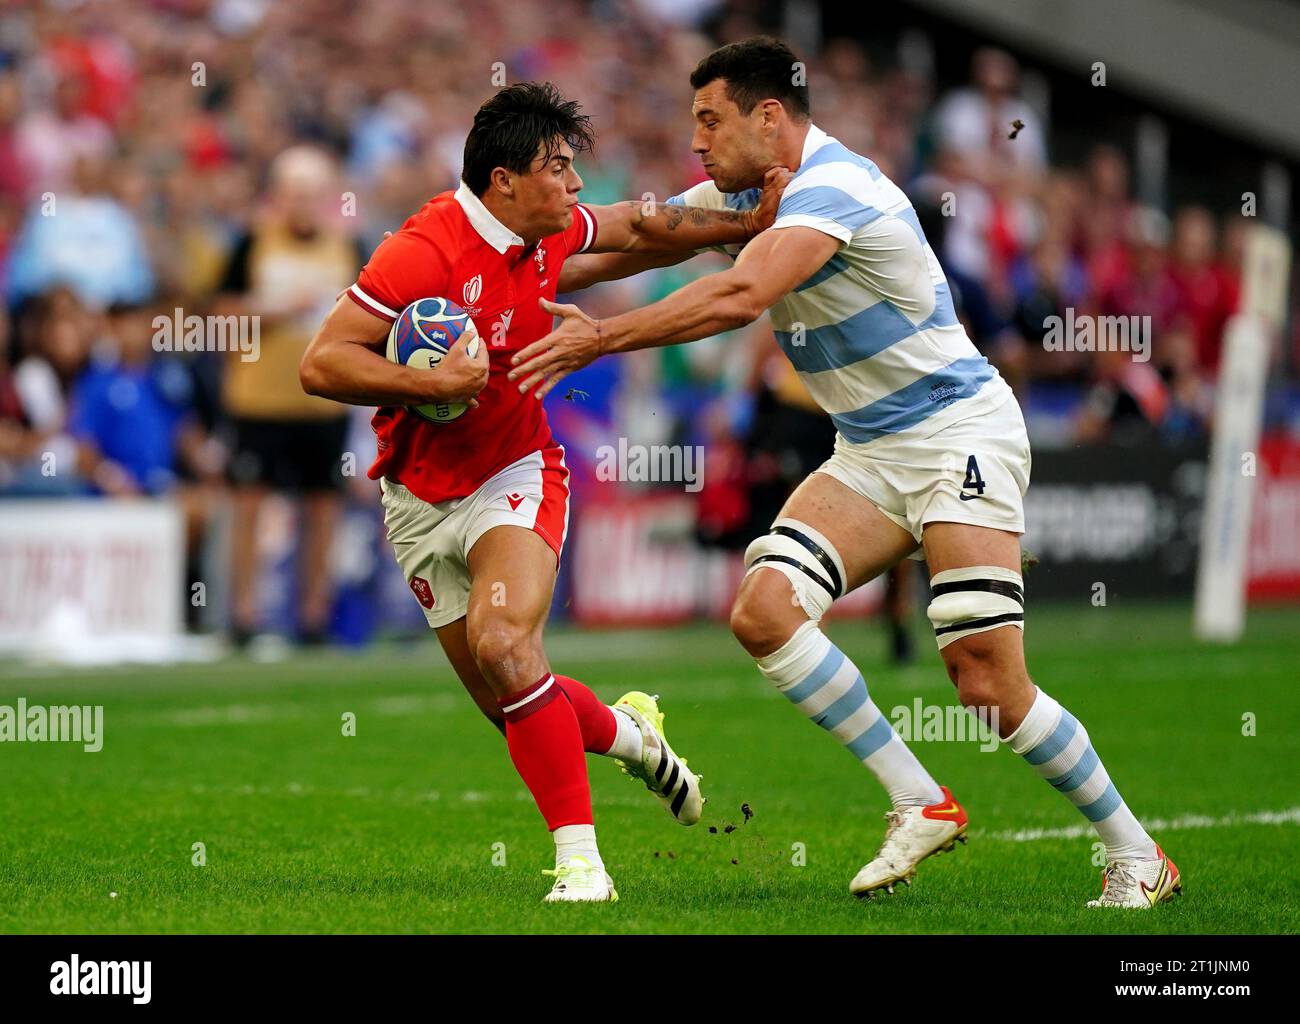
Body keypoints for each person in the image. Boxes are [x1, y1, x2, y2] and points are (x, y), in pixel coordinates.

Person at [512, 37, 1179, 909]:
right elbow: (644, 237)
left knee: (982, 675)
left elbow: (741, 296)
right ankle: (919, 798)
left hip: (956, 432)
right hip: (870, 448)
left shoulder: (838, 189)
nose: (698, 143)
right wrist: (502, 264)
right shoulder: (748, 194)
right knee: (764, 611)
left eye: (711, 121)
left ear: (770, 117)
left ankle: (1135, 853)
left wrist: (598, 335)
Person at [300, 82, 789, 903]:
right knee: (511, 701)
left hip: (516, 471)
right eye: (558, 168)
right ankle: (632, 736)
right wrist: (423, 384)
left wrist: (747, 227)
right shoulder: (423, 253)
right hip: (418, 497)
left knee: (505, 647)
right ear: (503, 180)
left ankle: (581, 865)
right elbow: (321, 362)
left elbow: (638, 226)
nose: (573, 185)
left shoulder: (543, 230)